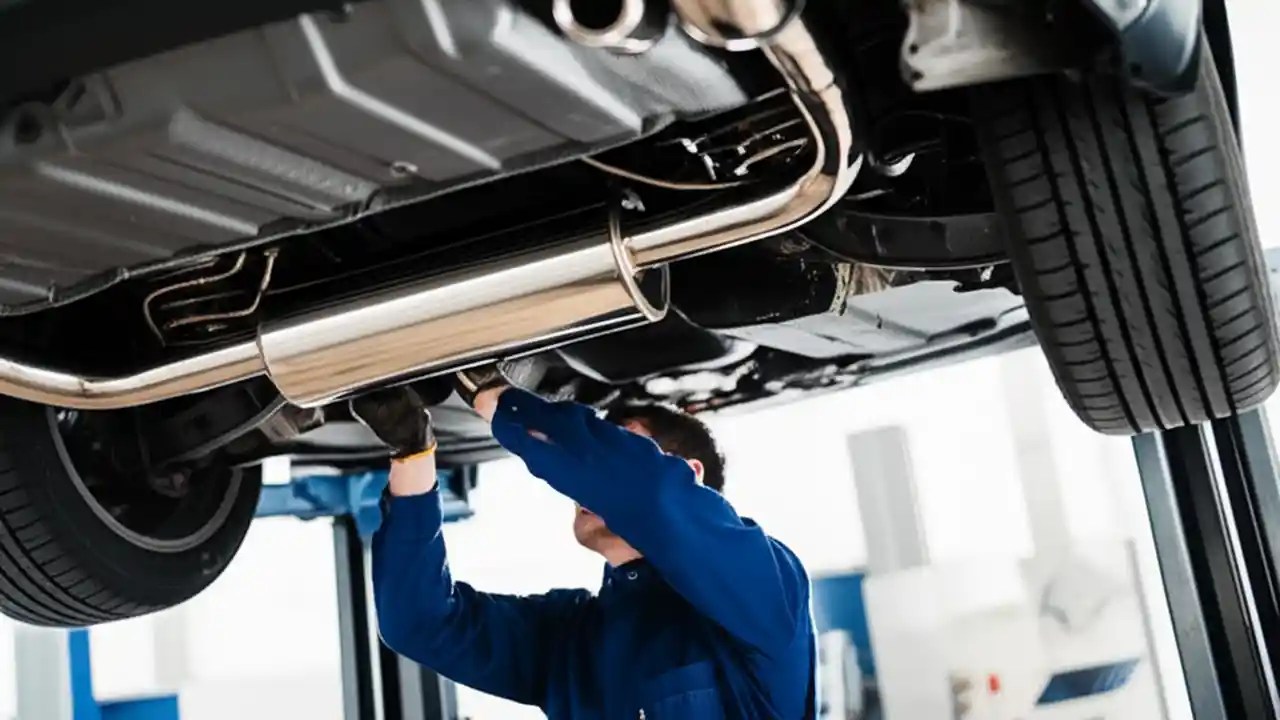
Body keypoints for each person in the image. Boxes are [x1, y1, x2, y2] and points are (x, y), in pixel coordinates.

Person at [350, 366, 815, 719]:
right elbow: (420, 621)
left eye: (615, 452)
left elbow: (650, 494)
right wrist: (412, 455)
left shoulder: (769, 597)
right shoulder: (573, 640)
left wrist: (500, 401)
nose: (582, 487)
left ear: (692, 475)